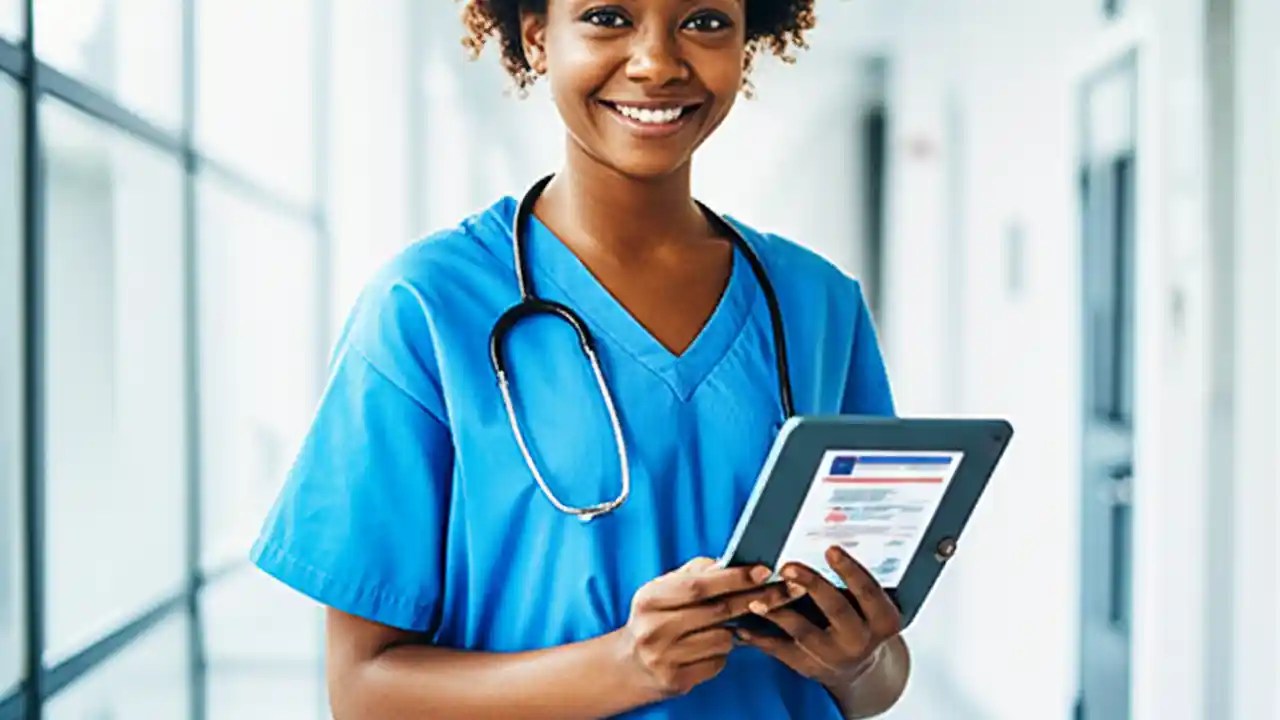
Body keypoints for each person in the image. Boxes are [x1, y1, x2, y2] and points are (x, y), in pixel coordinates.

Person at [249, 0, 911, 717]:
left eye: (705, 21)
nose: (657, 63)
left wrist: (858, 661)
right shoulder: (426, 306)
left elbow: (878, 678)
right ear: (537, 38)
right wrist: (625, 667)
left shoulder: (817, 304)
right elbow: (363, 693)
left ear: (748, 38)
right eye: (607, 16)